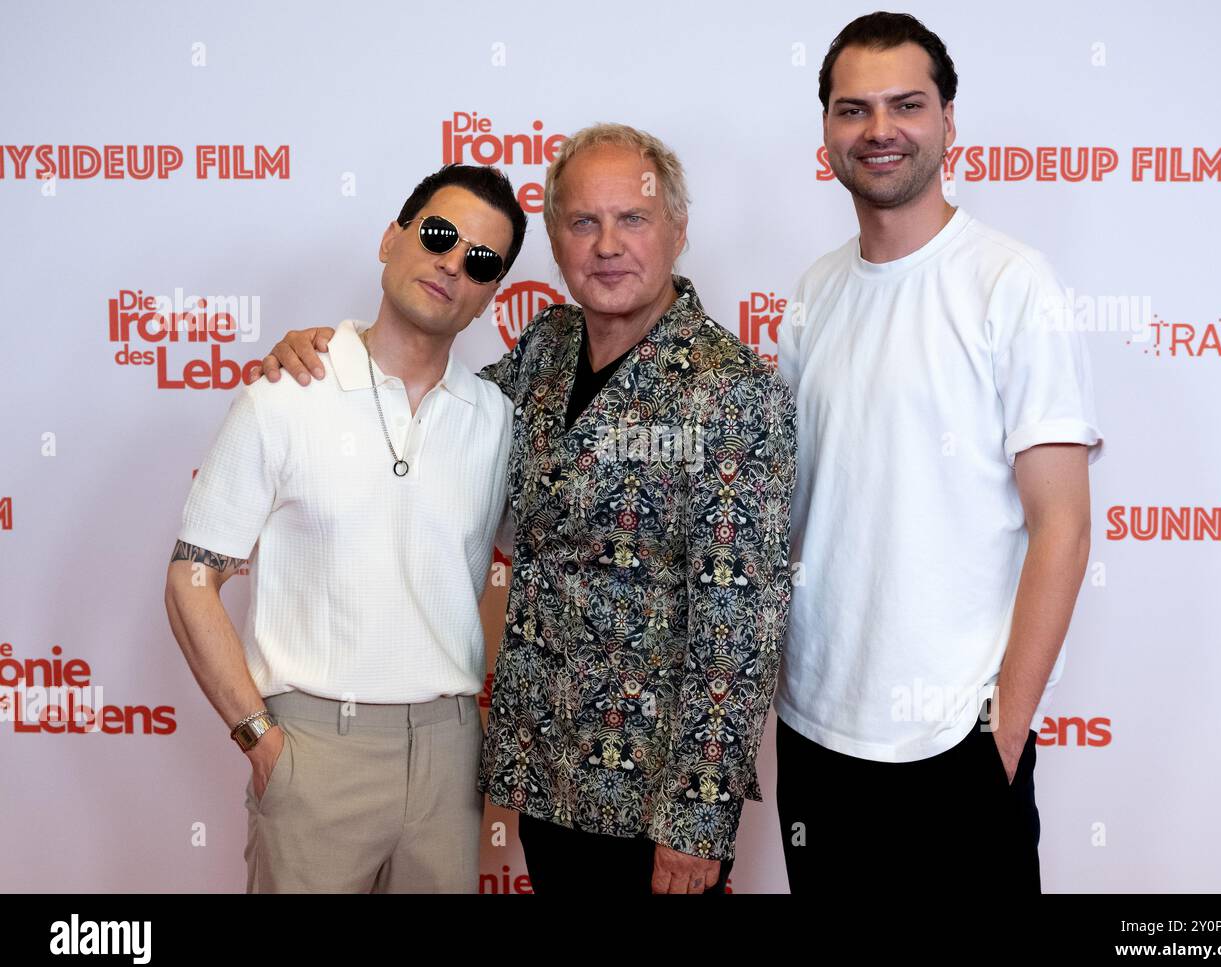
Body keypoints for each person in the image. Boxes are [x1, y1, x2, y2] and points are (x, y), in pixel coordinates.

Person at [254, 124, 798, 894]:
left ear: (677, 231)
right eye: (584, 222)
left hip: (653, 804)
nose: (607, 244)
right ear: (557, 242)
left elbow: (739, 625)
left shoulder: (733, 389)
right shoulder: (547, 348)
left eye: (632, 219)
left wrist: (699, 822)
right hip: (545, 774)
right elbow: (436, 414)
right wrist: (334, 353)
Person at [774, 12, 1103, 894]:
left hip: (954, 744)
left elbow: (1063, 525)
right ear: (828, 133)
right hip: (815, 729)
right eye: (854, 110)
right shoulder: (815, 291)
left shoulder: (1011, 283)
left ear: (949, 122)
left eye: (906, 105)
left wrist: (1000, 729)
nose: (880, 130)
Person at [164, 163, 527, 893]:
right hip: (312, 751)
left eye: (480, 262)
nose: (452, 263)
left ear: (490, 297)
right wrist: (261, 740)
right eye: (438, 235)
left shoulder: (497, 419)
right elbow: (191, 580)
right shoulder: (286, 393)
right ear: (392, 238)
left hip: (452, 756)